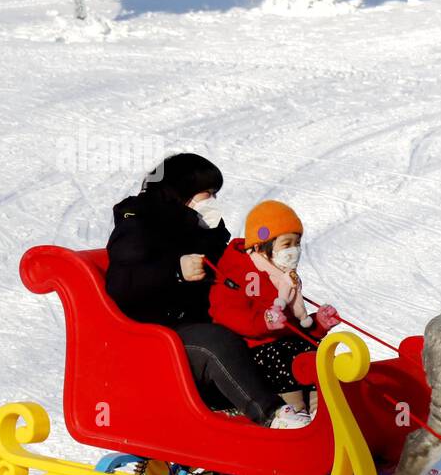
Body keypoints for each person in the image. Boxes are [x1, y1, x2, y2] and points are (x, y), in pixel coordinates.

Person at [104, 154, 310, 430]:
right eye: (207, 193)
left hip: (195, 321)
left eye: (215, 193)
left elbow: (228, 276)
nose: (212, 200)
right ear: (181, 190)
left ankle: (314, 409)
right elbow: (121, 285)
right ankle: (272, 414)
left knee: (269, 337)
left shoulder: (201, 230)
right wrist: (174, 271)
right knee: (216, 341)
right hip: (155, 333)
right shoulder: (138, 226)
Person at [208, 200, 340, 414]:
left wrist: (318, 325)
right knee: (281, 355)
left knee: (314, 352)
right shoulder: (238, 271)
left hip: (283, 344)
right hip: (252, 350)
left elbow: (295, 325)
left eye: (297, 243)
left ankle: (322, 409)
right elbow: (227, 315)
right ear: (261, 246)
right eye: (286, 244)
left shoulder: (283, 276)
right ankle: (293, 411)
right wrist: (265, 322)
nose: (294, 251)